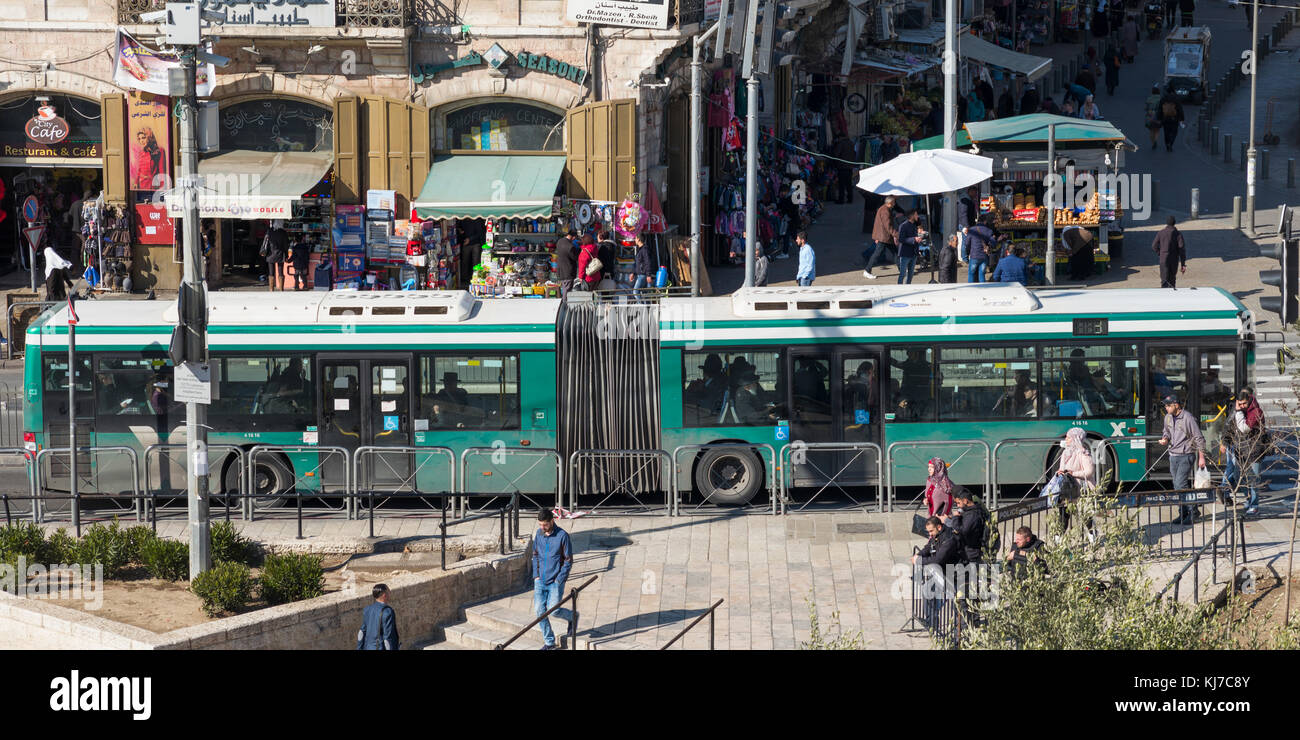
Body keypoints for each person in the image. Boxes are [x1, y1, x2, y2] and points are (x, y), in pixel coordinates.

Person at [1157, 394, 1207, 524]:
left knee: (1181, 483)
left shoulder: (1188, 418)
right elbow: (1166, 431)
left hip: (1186, 454)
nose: (1166, 408)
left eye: (1168, 405)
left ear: (1176, 405)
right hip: (1173, 455)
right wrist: (1165, 439)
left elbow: (1199, 438)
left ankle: (1193, 510)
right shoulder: (1168, 417)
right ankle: (1183, 512)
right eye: (1165, 405)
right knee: (1176, 485)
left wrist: (1201, 457)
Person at [532, 508, 574, 650]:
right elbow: (535, 555)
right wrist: (536, 576)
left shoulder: (563, 536)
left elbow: (568, 560)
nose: (542, 528)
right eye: (540, 525)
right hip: (540, 580)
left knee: (554, 610)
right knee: (539, 611)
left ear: (552, 521)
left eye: (545, 525)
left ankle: (572, 617)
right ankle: (549, 642)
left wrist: (559, 579)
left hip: (555, 581)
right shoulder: (538, 534)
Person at [1220, 389, 1266, 515]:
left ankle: (1254, 505)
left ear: (1249, 400)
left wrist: (1238, 411)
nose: (1241, 406)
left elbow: (1244, 428)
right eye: (1239, 404)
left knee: (1253, 480)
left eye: (1244, 404)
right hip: (1240, 450)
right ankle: (1248, 499)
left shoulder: (1256, 411)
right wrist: (1225, 441)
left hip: (1254, 450)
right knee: (1238, 476)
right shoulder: (1238, 410)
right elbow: (1229, 426)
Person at [863, 195, 900, 279]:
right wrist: (897, 235)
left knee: (894, 252)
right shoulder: (885, 211)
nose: (895, 204)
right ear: (890, 203)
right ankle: (867, 270)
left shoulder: (884, 209)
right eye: (894, 202)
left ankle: (902, 269)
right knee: (877, 254)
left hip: (884, 236)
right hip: (884, 237)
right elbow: (888, 226)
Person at [356, 583, 400, 650]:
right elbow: (387, 638)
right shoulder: (388, 612)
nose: (390, 593)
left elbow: (361, 632)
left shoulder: (367, 609)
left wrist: (359, 648)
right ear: (384, 595)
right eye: (389, 591)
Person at [1151, 216, 1187, 288]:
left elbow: (1154, 246)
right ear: (1174, 223)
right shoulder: (1178, 234)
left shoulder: (1161, 233)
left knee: (1164, 281)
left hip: (1163, 259)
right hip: (1174, 260)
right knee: (1172, 280)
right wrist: (1183, 264)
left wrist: (1160, 253)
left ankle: (1164, 297)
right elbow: (1182, 249)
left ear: (1166, 223)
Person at [964, 216, 996, 283]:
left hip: (974, 255)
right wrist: (988, 246)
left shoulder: (971, 230)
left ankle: (970, 290)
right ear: (985, 221)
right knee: (982, 274)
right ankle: (983, 290)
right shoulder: (988, 230)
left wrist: (968, 252)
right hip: (984, 256)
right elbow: (993, 243)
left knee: (971, 274)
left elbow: (967, 243)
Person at [895, 209, 923, 284]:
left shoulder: (914, 224)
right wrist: (914, 239)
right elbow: (901, 239)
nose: (918, 216)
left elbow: (919, 223)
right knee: (902, 274)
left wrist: (919, 236)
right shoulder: (903, 225)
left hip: (914, 253)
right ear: (912, 216)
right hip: (905, 253)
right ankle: (899, 288)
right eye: (916, 214)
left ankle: (908, 287)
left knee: (910, 274)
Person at [832, 135, 857, 204]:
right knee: (849, 184)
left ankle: (841, 199)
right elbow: (854, 153)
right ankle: (850, 198)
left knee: (842, 185)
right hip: (850, 167)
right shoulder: (851, 143)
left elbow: (836, 154)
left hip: (842, 166)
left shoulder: (841, 143)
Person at [265, 221, 288, 291]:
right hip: (280, 254)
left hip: (270, 254)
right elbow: (286, 245)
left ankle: (271, 289)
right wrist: (286, 255)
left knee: (271, 272)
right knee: (280, 272)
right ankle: (281, 288)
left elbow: (267, 243)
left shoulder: (269, 231)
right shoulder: (283, 232)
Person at [632, 233, 656, 297]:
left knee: (635, 291)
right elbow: (638, 263)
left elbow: (648, 262)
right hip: (641, 274)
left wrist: (648, 275)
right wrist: (634, 273)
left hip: (643, 274)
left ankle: (642, 305)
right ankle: (645, 306)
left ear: (638, 239)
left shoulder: (644, 249)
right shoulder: (640, 250)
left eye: (635, 238)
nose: (635, 240)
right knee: (644, 293)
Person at [555, 229, 577, 297]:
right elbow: (575, 257)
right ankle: (565, 305)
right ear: (573, 237)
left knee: (564, 289)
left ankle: (563, 303)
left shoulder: (560, 241)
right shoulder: (570, 246)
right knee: (567, 291)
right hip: (568, 272)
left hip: (560, 270)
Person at [1143, 85, 1163, 151]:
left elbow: (1145, 108)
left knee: (1151, 131)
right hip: (1158, 116)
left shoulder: (1149, 99)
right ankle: (1155, 140)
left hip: (1149, 116)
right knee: (1157, 130)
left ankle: (1153, 142)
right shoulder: (1161, 99)